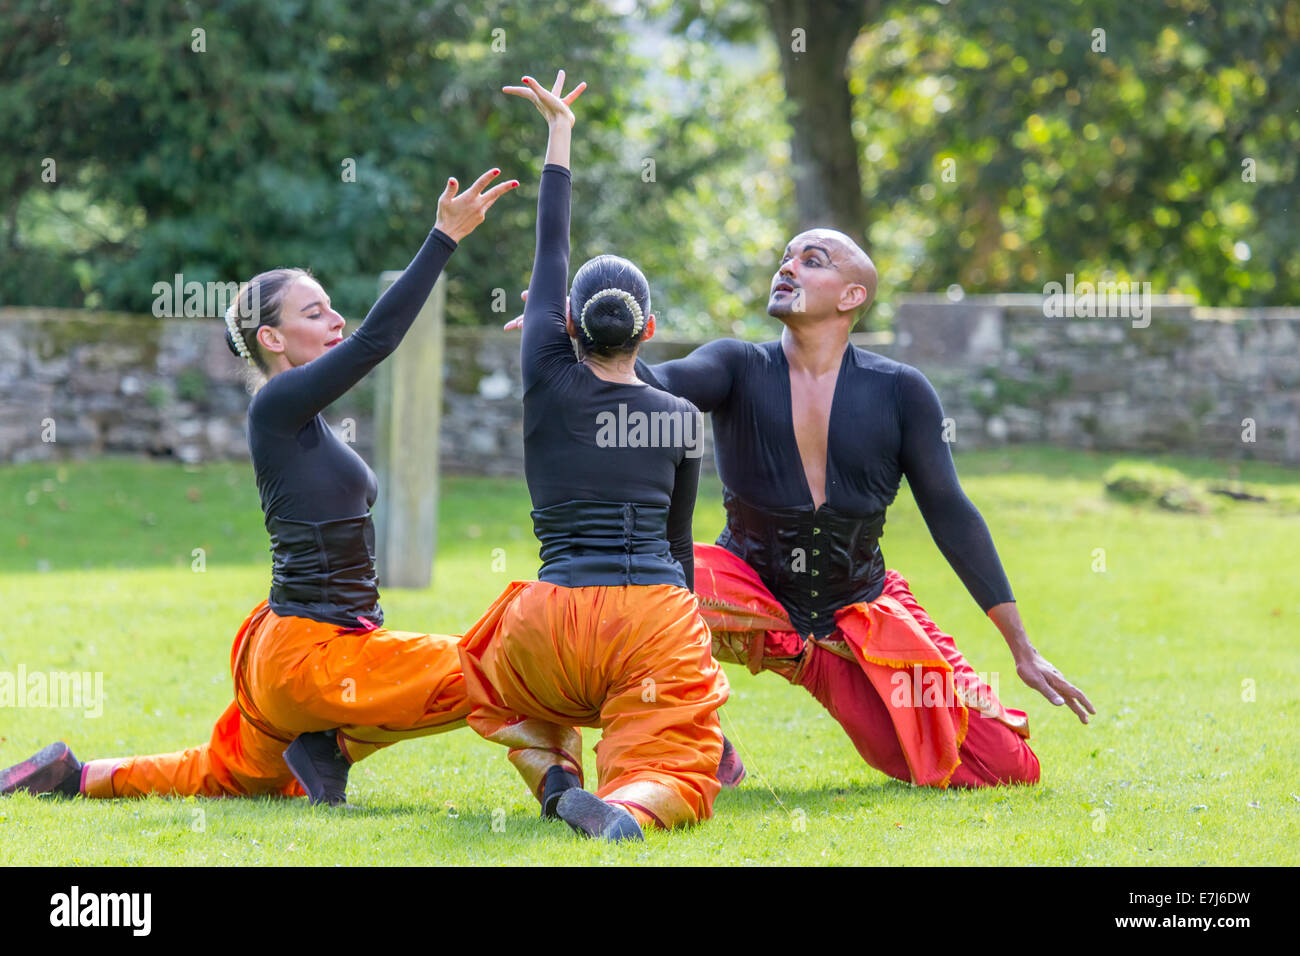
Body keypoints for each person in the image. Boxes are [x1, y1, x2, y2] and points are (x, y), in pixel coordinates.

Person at [1, 167, 517, 806]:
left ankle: (73, 775)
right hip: (314, 661)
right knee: (496, 670)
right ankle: (334, 743)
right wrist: (443, 236)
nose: (335, 319)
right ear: (271, 339)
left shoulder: (299, 415)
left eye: (331, 305)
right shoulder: (277, 404)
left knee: (225, 776)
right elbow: (375, 342)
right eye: (315, 311)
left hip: (285, 660)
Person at [509, 229, 1094, 789]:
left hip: (856, 611)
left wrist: (1021, 647)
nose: (787, 267)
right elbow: (640, 383)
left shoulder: (903, 392)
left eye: (812, 260)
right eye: (786, 257)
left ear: (852, 295)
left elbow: (951, 512)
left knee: (1004, 765)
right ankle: (693, 734)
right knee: (628, 600)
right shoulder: (735, 366)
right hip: (744, 593)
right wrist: (582, 329)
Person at [456, 71, 729, 843]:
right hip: (650, 619)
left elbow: (552, 243)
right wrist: (688, 656)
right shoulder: (680, 418)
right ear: (649, 332)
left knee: (480, 670)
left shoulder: (544, 374)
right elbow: (677, 549)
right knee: (679, 759)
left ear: (565, 322)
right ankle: (631, 806)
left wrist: (559, 132)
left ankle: (555, 781)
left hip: (549, 628)